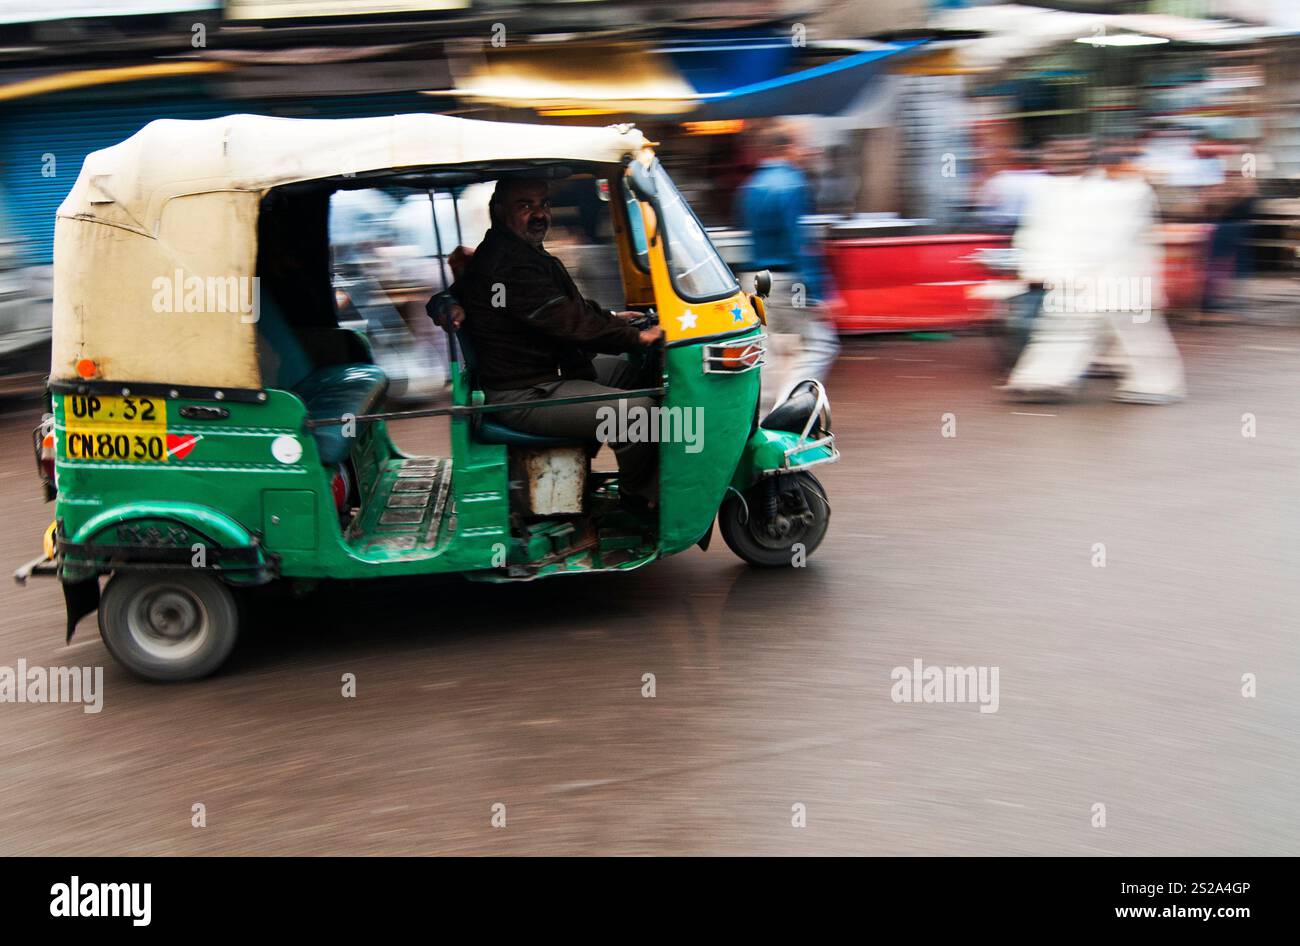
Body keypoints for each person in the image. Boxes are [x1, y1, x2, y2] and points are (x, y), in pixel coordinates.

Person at [426, 177, 664, 508]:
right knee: (642, 415)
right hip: (526, 392)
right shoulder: (507, 263)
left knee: (637, 376)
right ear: (498, 211)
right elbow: (568, 321)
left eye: (544, 205)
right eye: (525, 206)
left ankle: (642, 477)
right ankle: (640, 499)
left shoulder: (518, 250)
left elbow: (565, 308)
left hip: (552, 370)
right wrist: (636, 336)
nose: (539, 214)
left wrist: (612, 318)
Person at [1003, 139, 1185, 404]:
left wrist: (1051, 267)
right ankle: (1043, 379)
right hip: (1085, 279)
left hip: (1122, 279)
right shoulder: (1069, 191)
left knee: (1136, 333)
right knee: (1064, 329)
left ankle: (1157, 385)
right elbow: (1050, 233)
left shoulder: (1126, 193)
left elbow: (1109, 237)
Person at [735, 121, 840, 410]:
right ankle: (789, 409)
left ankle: (765, 418)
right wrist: (820, 293)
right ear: (787, 148)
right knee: (819, 344)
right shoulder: (794, 182)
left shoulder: (749, 187)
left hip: (755, 280)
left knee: (768, 350)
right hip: (787, 279)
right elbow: (800, 243)